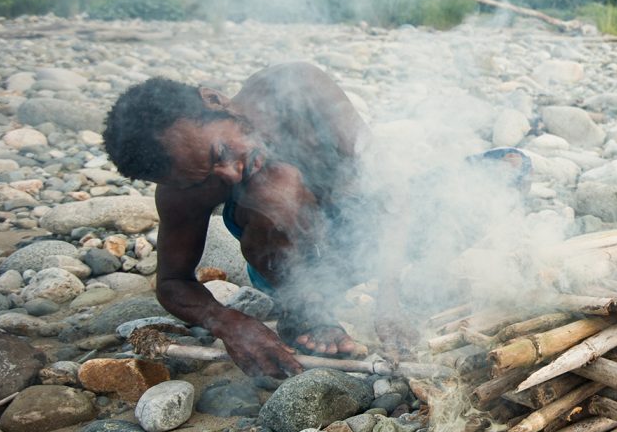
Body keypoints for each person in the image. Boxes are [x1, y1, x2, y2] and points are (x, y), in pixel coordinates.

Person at [102, 63, 418, 378]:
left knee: (454, 198)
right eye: (202, 179)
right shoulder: (182, 191)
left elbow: (388, 188)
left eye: (221, 152)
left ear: (214, 99)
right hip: (289, 266)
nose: (231, 173)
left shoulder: (297, 89)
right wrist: (229, 323)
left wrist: (389, 296)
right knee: (276, 186)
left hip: (369, 229)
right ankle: (306, 310)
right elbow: (172, 283)